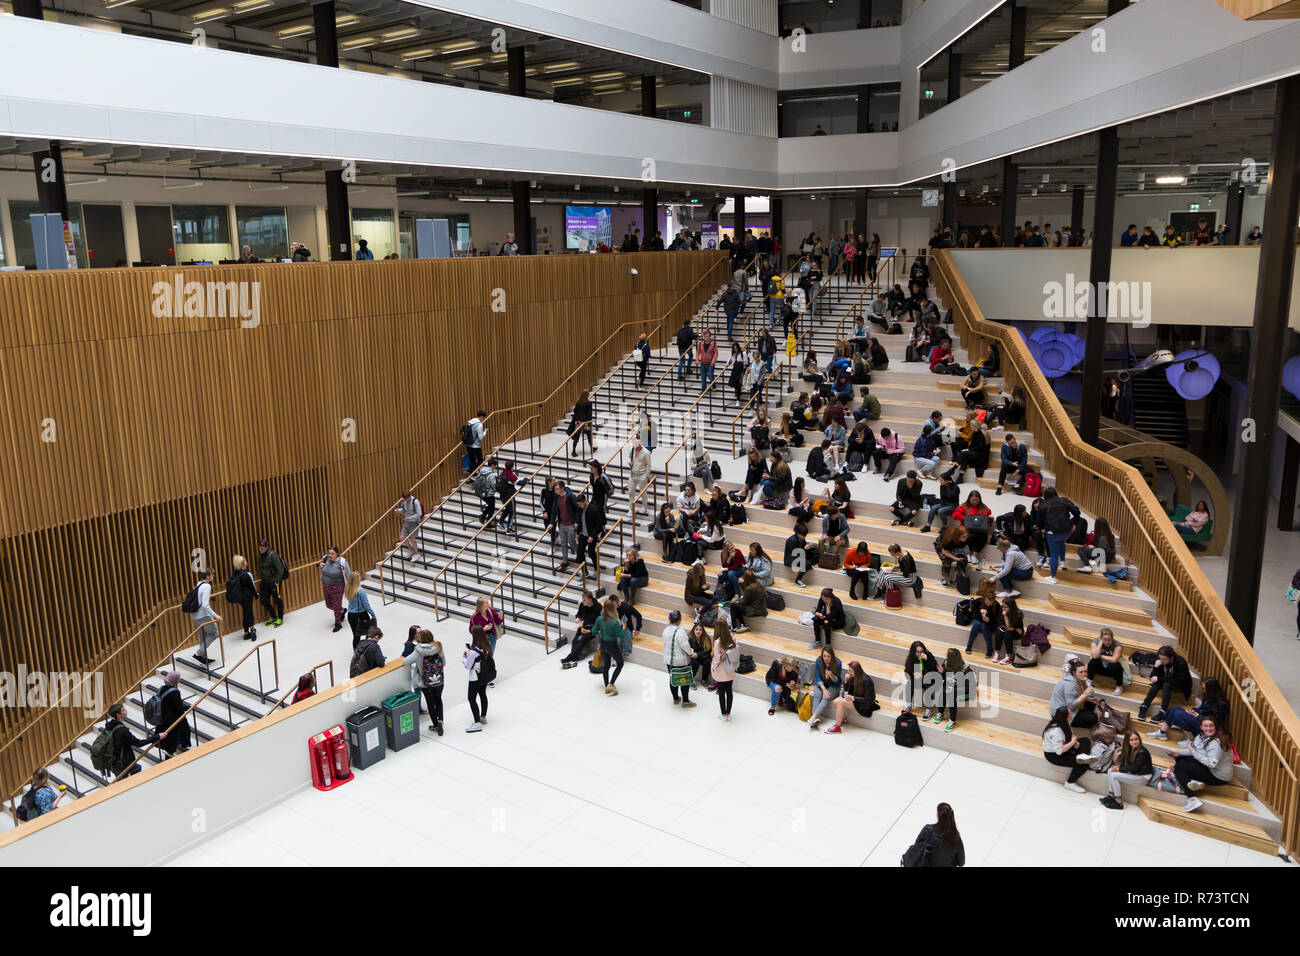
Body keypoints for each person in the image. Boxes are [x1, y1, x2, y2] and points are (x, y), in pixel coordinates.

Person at [1173, 717, 1234, 813]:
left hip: (1218, 776)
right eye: (1206, 726)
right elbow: (1196, 751)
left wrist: (1193, 751)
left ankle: (1192, 798)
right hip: (1210, 768)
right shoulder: (1202, 736)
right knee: (1181, 758)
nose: (1208, 728)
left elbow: (1211, 764)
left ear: (1215, 727)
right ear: (1201, 727)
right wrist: (1179, 753)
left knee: (1179, 767)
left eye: (1211, 726)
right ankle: (1196, 781)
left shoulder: (1216, 743)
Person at [1149, 677, 1229, 741]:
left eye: (1205, 689)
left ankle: (1192, 740)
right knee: (1174, 708)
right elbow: (1202, 709)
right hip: (1199, 719)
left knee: (1177, 715)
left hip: (1206, 726)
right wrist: (1193, 711)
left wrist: (1200, 716)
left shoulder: (1222, 704)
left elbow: (1217, 722)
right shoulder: (1208, 698)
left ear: (1211, 690)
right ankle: (1162, 732)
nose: (1204, 691)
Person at [1043, 706, 1097, 793]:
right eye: (1070, 713)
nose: (1072, 714)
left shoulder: (1063, 722)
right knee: (1083, 764)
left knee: (1085, 740)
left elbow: (1070, 735)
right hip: (1054, 755)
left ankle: (1082, 756)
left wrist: (1075, 743)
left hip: (1065, 746)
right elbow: (1059, 751)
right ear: (1066, 717)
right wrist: (1073, 742)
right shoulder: (1055, 732)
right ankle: (1070, 782)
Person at [1137, 644, 1193, 722]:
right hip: (1167, 680)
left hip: (1181, 684)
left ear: (1171, 658)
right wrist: (1156, 667)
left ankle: (1163, 711)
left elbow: (1177, 680)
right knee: (1157, 684)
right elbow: (1153, 676)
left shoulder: (1181, 662)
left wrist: (1159, 678)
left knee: (1166, 685)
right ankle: (1144, 705)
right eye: (1160, 658)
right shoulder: (1161, 660)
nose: (1162, 661)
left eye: (1164, 659)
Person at [1099, 730, 1153, 810]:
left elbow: (1135, 767)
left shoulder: (1142, 752)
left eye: (1136, 739)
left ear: (1139, 739)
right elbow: (1129, 766)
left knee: (1114, 776)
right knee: (1110, 770)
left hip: (1143, 777)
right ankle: (1111, 795)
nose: (1134, 742)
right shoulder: (1131, 749)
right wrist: (1117, 767)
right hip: (1136, 773)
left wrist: (1119, 769)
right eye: (1131, 740)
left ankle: (1118, 801)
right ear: (1127, 741)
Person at [104, 702, 159, 779]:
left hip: (114, 762)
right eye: (123, 710)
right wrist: (157, 737)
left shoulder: (109, 727)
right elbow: (138, 743)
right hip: (122, 763)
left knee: (136, 769)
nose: (126, 711)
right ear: (118, 715)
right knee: (128, 778)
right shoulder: (122, 731)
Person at [1038, 486, 1080, 583]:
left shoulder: (1043, 505)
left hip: (1053, 533)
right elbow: (1076, 511)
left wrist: (1042, 528)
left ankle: (1053, 577)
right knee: (1061, 543)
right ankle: (1063, 562)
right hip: (1067, 532)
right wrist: (1074, 523)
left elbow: (1040, 520)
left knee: (1053, 555)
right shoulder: (1064, 500)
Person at [408, 628, 445, 735]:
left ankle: (435, 725)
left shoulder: (418, 651)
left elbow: (406, 661)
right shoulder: (438, 647)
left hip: (425, 682)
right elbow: (444, 663)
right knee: (438, 700)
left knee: (430, 703)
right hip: (438, 680)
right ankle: (440, 720)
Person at [662, 610, 697, 708]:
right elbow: (685, 646)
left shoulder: (665, 630)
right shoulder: (680, 631)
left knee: (673, 678)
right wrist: (691, 652)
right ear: (679, 620)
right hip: (680, 661)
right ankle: (685, 702)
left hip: (669, 660)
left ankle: (676, 699)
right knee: (684, 681)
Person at [1050, 658, 1098, 728]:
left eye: (1085, 671)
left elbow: (1077, 695)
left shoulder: (1078, 679)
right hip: (1062, 713)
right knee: (1093, 718)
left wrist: (1089, 699)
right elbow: (1071, 706)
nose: (1084, 674)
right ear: (1074, 672)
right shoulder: (1070, 685)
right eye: (1081, 672)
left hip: (1070, 705)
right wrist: (1085, 695)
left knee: (1094, 705)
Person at [592, 597, 625, 695]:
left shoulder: (599, 619)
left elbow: (594, 631)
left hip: (603, 644)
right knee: (620, 663)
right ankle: (611, 684)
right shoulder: (615, 622)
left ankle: (606, 685)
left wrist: (600, 633)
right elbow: (621, 635)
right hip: (612, 645)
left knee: (606, 665)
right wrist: (622, 626)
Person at [189, 569, 222, 665]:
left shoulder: (197, 585)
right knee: (214, 633)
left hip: (195, 615)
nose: (213, 576)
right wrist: (216, 615)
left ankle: (203, 657)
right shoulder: (207, 586)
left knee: (202, 636)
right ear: (208, 576)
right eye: (212, 574)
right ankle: (198, 654)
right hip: (203, 615)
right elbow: (205, 605)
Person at [561, 589, 601, 668]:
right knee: (575, 640)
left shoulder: (598, 607)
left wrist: (590, 630)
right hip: (584, 626)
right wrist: (578, 619)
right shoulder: (582, 605)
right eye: (582, 600)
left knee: (583, 639)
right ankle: (572, 658)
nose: (583, 602)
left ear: (590, 599)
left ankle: (569, 658)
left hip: (593, 628)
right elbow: (578, 614)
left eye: (584, 600)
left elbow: (600, 623)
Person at [463, 627, 493, 732]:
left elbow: (467, 666)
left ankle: (477, 723)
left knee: (471, 699)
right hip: (484, 675)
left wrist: (464, 657)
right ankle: (483, 717)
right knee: (482, 694)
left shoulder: (473, 651)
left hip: (475, 677)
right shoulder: (488, 644)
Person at [155, 670, 191, 757]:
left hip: (162, 716)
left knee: (167, 735)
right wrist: (188, 707)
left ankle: (170, 749)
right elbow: (178, 707)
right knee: (183, 729)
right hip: (172, 718)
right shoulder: (175, 692)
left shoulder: (161, 688)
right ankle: (180, 746)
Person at [807, 645, 843, 731]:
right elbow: (817, 677)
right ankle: (814, 719)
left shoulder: (838, 663)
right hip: (821, 684)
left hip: (833, 685)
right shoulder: (819, 661)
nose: (826, 659)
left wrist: (832, 676)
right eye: (824, 656)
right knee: (817, 696)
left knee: (826, 697)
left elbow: (837, 680)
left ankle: (813, 717)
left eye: (828, 656)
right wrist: (823, 689)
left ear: (832, 656)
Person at [319, 546, 350, 634]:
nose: (330, 555)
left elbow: (349, 574)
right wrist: (320, 566)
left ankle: (338, 624)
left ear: (337, 554)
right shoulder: (326, 559)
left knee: (336, 605)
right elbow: (323, 569)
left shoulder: (342, 562)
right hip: (326, 585)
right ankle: (341, 610)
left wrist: (352, 586)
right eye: (329, 553)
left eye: (332, 554)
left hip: (337, 586)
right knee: (328, 604)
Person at [227, 554, 259, 642]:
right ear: (242, 563)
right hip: (247, 596)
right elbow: (252, 587)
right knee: (249, 613)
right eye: (244, 561)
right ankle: (252, 629)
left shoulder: (235, 574)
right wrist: (256, 595)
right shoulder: (246, 575)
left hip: (240, 598)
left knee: (246, 612)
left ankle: (246, 632)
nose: (246, 562)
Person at [712, 619, 739, 720]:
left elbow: (717, 658)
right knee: (729, 691)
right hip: (730, 668)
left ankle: (723, 715)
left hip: (721, 670)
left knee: (721, 693)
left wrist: (713, 667)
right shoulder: (732, 637)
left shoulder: (718, 641)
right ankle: (729, 713)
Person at [550, 479, 579, 573]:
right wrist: (551, 523)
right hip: (562, 524)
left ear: (562, 488)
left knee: (571, 541)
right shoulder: (556, 497)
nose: (556, 491)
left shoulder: (570, 496)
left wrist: (576, 521)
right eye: (555, 489)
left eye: (557, 489)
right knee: (563, 543)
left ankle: (579, 554)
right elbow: (554, 510)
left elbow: (577, 509)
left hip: (571, 524)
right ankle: (565, 561)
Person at [576, 493, 606, 583]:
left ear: (584, 501)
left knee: (591, 553)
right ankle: (585, 572)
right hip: (583, 534)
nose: (579, 506)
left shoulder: (593, 509)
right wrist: (577, 532)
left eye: (580, 504)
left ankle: (597, 570)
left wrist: (592, 536)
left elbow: (599, 526)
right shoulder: (580, 509)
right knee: (580, 553)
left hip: (592, 535)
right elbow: (580, 521)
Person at [257, 539, 287, 628]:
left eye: (262, 548)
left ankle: (280, 618)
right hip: (265, 582)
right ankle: (273, 616)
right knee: (263, 600)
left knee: (277, 599)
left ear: (267, 547)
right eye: (259, 548)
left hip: (274, 581)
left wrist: (277, 581)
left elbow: (280, 569)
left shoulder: (273, 555)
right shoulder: (260, 555)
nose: (260, 550)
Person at [965, 588, 1003, 658]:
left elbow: (996, 620)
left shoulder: (996, 605)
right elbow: (973, 615)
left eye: (991, 603)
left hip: (990, 624)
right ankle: (969, 645)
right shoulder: (978, 601)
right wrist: (980, 612)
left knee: (984, 625)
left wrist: (989, 620)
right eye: (987, 602)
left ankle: (990, 649)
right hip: (978, 621)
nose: (989, 604)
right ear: (984, 598)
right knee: (977, 624)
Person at [344, 571, 376, 649]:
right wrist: (372, 614)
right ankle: (367, 649)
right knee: (369, 633)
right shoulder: (361, 591)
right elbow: (366, 605)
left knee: (356, 636)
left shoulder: (348, 589)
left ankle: (356, 652)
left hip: (351, 615)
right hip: (361, 615)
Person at [994, 595, 1025, 665]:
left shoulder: (1018, 614)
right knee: (999, 631)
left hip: (1017, 632)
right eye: (1002, 606)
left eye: (1005, 607)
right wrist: (1007, 627)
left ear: (1011, 607)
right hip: (1009, 629)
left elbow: (1010, 628)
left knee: (1007, 633)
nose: (1003, 608)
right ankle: (997, 652)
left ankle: (1009, 656)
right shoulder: (1001, 610)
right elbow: (1000, 623)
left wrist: (1005, 616)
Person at [784, 521, 817, 587]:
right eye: (803, 535)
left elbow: (803, 547)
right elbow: (795, 555)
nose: (805, 537)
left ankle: (808, 564)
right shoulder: (792, 541)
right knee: (807, 563)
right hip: (792, 560)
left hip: (800, 555)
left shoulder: (801, 538)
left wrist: (809, 547)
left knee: (816, 551)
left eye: (805, 535)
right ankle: (798, 580)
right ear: (798, 533)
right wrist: (805, 549)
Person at [568, 389, 594, 458]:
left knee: (576, 436)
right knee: (589, 435)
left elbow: (575, 411)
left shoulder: (578, 403)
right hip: (585, 422)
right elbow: (589, 415)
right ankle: (591, 448)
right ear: (587, 395)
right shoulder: (589, 403)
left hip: (578, 421)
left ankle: (573, 451)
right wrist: (590, 423)